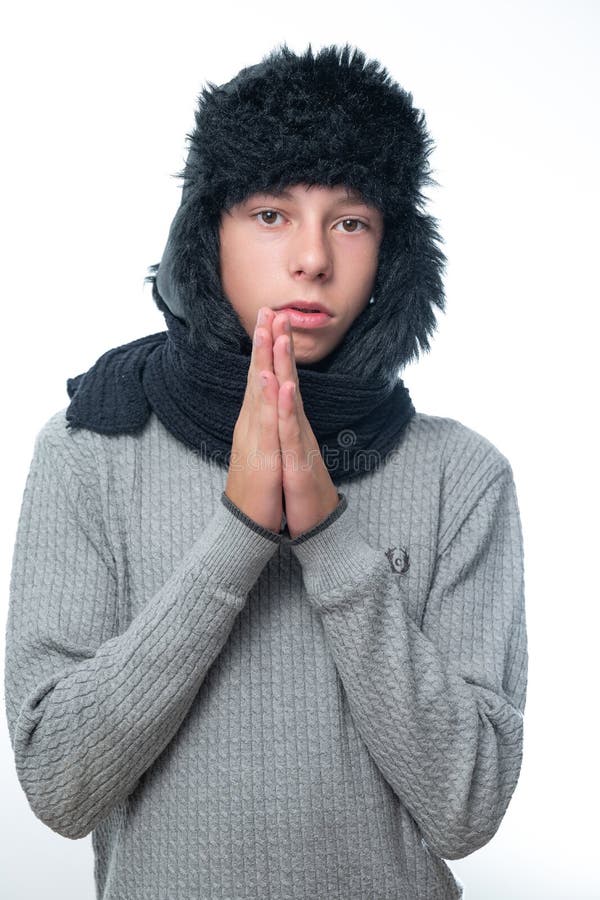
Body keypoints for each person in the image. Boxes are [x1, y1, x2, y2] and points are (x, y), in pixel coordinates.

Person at [4, 42, 528, 900]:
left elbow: (466, 808)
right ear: (207, 234)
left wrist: (327, 535)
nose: (313, 259)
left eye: (351, 221)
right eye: (270, 214)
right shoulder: (90, 450)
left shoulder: (461, 476)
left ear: (393, 254)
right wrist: (238, 534)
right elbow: (60, 786)